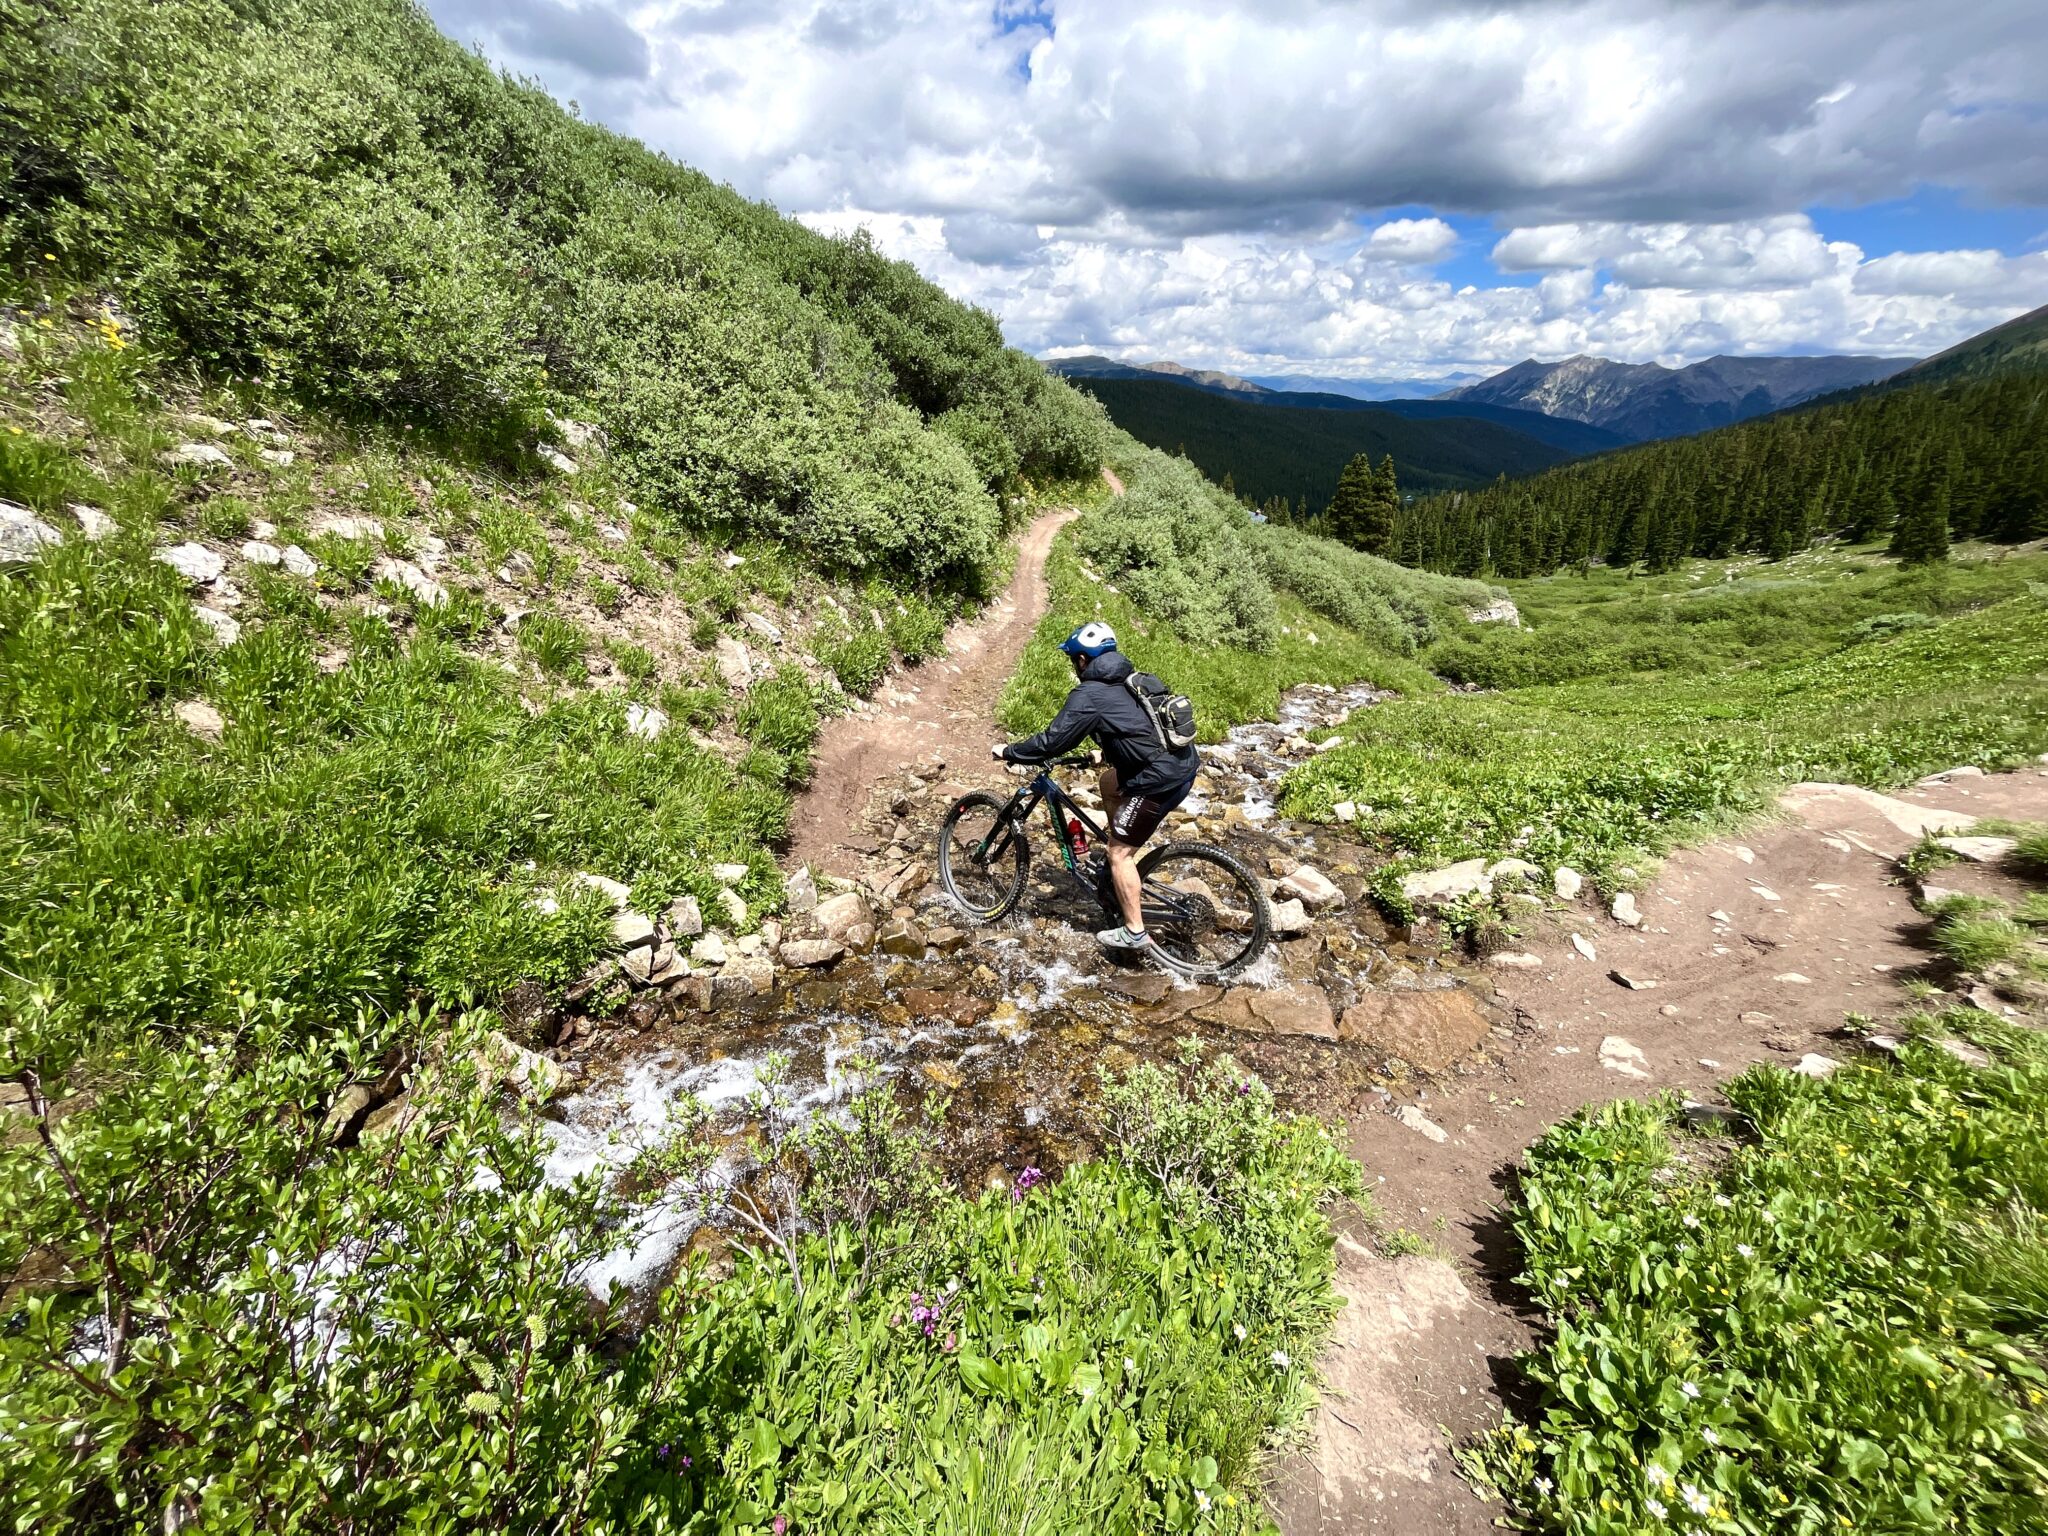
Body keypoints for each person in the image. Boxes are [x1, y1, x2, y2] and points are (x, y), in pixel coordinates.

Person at [991, 622, 1198, 950]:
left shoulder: (1090, 693)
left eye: (1075, 659)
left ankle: (1134, 930)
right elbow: (1140, 727)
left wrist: (1010, 750)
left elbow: (1051, 742)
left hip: (1157, 779)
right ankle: (1121, 857)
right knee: (1108, 782)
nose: (1074, 665)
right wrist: (1106, 749)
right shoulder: (1130, 681)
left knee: (1118, 853)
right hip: (1182, 766)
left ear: (1084, 660)